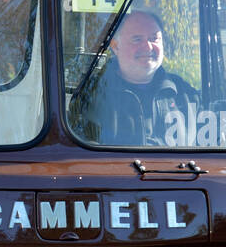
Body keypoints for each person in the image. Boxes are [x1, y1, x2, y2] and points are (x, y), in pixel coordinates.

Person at [78, 10, 197, 147]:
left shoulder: (185, 94)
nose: (148, 47)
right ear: (115, 46)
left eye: (154, 38)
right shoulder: (93, 94)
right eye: (137, 39)